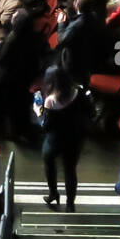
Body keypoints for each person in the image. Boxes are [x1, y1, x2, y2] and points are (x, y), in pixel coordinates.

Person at [35, 66, 89, 211]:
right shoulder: (78, 92)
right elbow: (90, 112)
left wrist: (38, 112)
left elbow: (45, 126)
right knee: (70, 170)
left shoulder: (50, 101)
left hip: (55, 140)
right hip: (74, 139)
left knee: (49, 163)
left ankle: (53, 193)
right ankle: (70, 203)